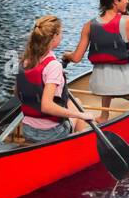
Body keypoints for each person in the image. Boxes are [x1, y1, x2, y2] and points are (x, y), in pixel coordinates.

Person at [15, 15, 96, 143]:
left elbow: (18, 94)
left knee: (71, 101)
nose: (62, 36)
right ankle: (78, 145)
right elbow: (46, 107)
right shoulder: (53, 66)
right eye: (61, 33)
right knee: (78, 105)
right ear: (54, 38)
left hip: (27, 129)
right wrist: (82, 115)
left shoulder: (24, 61)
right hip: (51, 133)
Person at [65, 0, 129, 97]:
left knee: (108, 80)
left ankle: (104, 114)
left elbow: (76, 58)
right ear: (116, 0)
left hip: (98, 86)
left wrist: (66, 55)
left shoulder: (88, 26)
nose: (127, 1)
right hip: (125, 85)